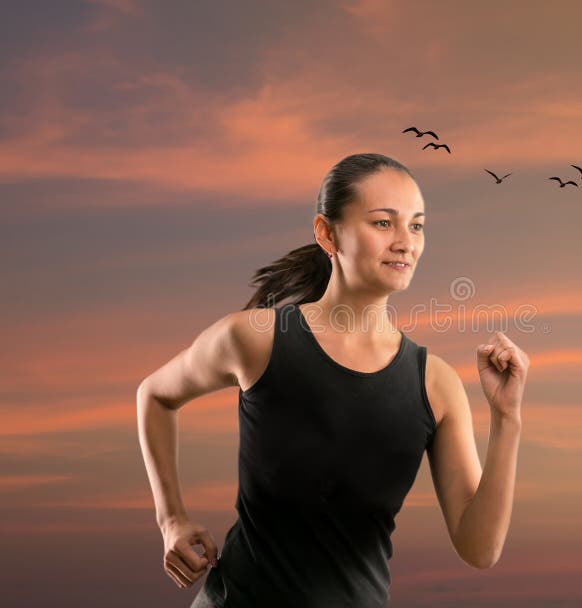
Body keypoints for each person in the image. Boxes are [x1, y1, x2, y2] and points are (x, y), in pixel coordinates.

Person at [136, 152, 530, 607]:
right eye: (383, 223)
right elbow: (156, 396)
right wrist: (171, 519)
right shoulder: (256, 340)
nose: (405, 242)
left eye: (417, 226)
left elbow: (478, 548)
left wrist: (507, 417)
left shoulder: (434, 384)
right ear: (327, 233)